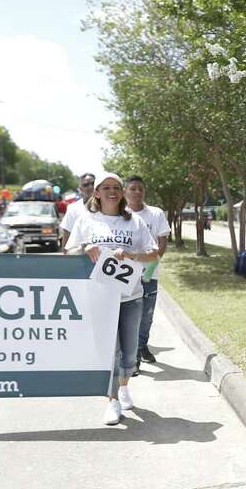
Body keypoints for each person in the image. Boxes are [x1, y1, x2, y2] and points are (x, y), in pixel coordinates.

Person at [64, 172, 158, 426]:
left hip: (130, 296)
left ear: (122, 192)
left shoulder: (135, 222)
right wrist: (84, 248)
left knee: (129, 353)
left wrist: (131, 254)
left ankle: (125, 386)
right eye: (105, 188)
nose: (112, 191)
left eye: (116, 187)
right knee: (109, 351)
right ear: (96, 193)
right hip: (98, 297)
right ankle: (112, 400)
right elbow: (68, 251)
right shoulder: (86, 220)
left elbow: (153, 253)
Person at [125, 175, 170, 370]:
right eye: (133, 188)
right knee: (130, 315)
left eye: (140, 189)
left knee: (147, 314)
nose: (137, 192)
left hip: (150, 274)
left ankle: (142, 346)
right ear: (125, 191)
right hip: (125, 275)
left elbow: (162, 243)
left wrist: (149, 267)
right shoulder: (120, 214)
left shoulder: (156, 214)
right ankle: (132, 355)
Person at [59, 172, 96, 250]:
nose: (91, 186)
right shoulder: (73, 209)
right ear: (80, 189)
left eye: (93, 183)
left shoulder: (108, 207)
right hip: (80, 258)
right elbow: (66, 241)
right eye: (86, 185)